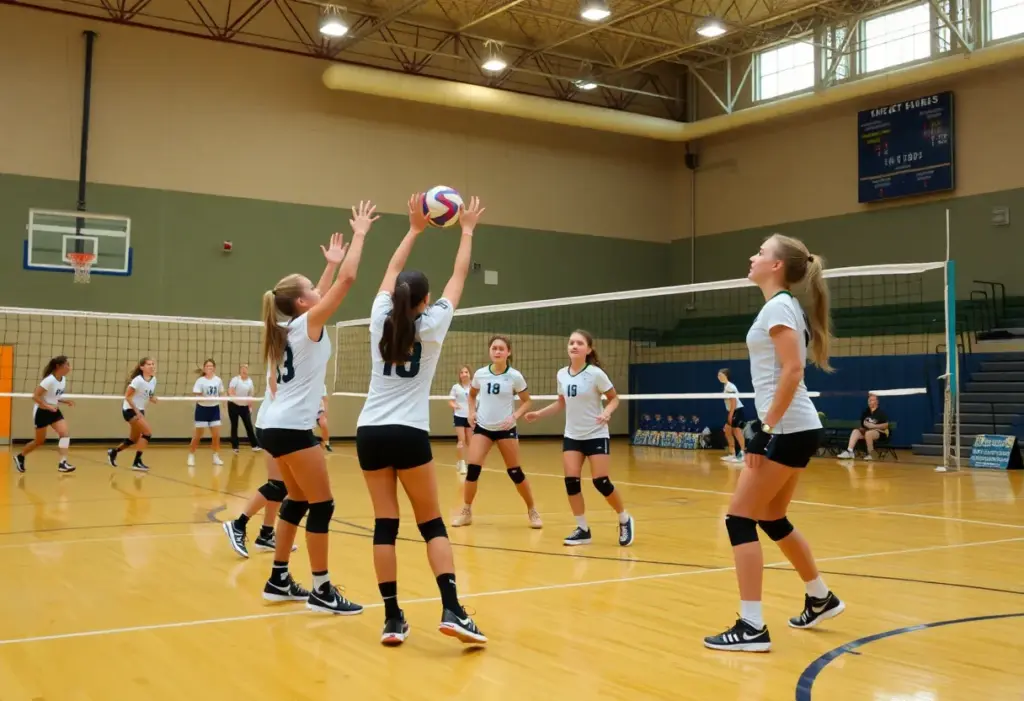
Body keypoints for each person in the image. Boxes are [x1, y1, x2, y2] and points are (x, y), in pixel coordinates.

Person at [355, 193, 487, 646]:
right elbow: (458, 276)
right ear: (426, 301)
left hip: (369, 431)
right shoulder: (432, 325)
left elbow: (390, 273)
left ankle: (392, 619)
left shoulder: (378, 318)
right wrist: (465, 229)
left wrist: (413, 228)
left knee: (384, 523)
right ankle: (451, 609)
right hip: (409, 432)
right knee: (430, 522)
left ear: (395, 298)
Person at [703, 234, 845, 653]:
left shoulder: (779, 306)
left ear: (777, 266)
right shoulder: (781, 307)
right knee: (771, 517)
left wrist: (764, 428)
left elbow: (793, 370)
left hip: (786, 428)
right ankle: (820, 597)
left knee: (738, 518)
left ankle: (751, 626)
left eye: (761, 252)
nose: (752, 256)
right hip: (795, 426)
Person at [258, 207, 375, 615]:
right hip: (291, 428)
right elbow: (347, 282)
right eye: (312, 287)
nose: (318, 289)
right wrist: (359, 236)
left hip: (272, 425)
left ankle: (278, 577)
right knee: (322, 505)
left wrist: (327, 266)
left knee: (297, 499)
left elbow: (318, 294)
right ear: (304, 301)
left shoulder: (290, 324)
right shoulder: (308, 323)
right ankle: (322, 589)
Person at [524, 330, 634, 547]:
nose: (574, 346)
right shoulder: (562, 374)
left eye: (579, 343)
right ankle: (583, 529)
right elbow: (561, 402)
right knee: (571, 482)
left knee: (601, 481)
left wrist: (607, 412)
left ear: (588, 349)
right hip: (572, 435)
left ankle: (624, 518)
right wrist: (539, 414)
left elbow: (613, 398)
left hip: (595, 433)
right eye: (571, 342)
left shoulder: (595, 374)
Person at [451, 336, 542, 529]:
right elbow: (472, 395)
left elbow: (527, 401)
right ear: (489, 351)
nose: (497, 351)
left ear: (508, 352)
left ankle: (532, 510)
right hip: (483, 428)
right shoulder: (481, 374)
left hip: (505, 429)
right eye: (494, 348)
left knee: (515, 472)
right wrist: (472, 412)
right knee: (472, 470)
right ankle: (466, 511)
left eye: (501, 348)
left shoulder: (515, 376)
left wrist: (515, 416)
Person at [13, 355, 75, 474]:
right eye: (67, 365)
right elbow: (35, 396)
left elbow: (54, 396)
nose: (69, 367)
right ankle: (20, 456)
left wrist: (64, 401)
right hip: (42, 411)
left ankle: (63, 463)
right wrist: (48, 407)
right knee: (39, 441)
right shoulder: (49, 380)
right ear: (59, 366)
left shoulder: (62, 379)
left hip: (54, 410)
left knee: (65, 434)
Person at [109, 357, 158, 471]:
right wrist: (136, 411)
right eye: (148, 364)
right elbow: (128, 396)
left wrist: (152, 398)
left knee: (134, 439)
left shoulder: (153, 379)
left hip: (140, 410)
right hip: (130, 410)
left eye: (152, 364)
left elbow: (146, 394)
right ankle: (137, 462)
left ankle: (113, 452)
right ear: (142, 367)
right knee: (147, 433)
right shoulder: (137, 380)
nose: (151, 366)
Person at [189, 359, 225, 467]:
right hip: (202, 409)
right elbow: (197, 394)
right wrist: (204, 398)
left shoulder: (218, 380)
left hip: (214, 409)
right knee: (198, 435)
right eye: (207, 366)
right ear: (204, 368)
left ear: (214, 368)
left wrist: (224, 406)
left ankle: (216, 456)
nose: (209, 368)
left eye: (211, 366)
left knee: (216, 435)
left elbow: (222, 393)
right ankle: (191, 455)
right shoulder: (200, 381)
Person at [837, 393, 889, 460]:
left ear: (877, 402)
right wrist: (862, 429)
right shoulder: (866, 412)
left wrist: (873, 426)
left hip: (879, 433)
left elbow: (886, 425)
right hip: (867, 431)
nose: (870, 402)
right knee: (855, 431)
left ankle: (870, 454)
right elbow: (863, 425)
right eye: (869, 400)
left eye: (872, 400)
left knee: (868, 433)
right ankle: (849, 452)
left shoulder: (881, 413)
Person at [227, 363, 260, 453]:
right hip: (233, 405)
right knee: (234, 425)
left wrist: (250, 406)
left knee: (249, 425)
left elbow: (250, 395)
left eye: (246, 368)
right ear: (240, 370)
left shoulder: (250, 381)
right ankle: (235, 446)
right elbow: (230, 391)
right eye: (242, 368)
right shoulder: (235, 379)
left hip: (244, 407)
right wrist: (236, 398)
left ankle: (254, 445)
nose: (244, 370)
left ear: (248, 370)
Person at [718, 368, 747, 463]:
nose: (719, 377)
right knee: (727, 431)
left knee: (737, 431)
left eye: (720, 375)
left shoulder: (730, 386)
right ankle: (733, 453)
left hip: (736, 410)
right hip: (731, 411)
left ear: (726, 375)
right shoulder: (726, 386)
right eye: (718, 375)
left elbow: (733, 401)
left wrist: (731, 414)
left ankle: (743, 453)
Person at [449, 366, 472, 476]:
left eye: (466, 372)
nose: (464, 374)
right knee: (461, 440)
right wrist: (455, 406)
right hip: (459, 416)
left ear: (470, 374)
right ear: (459, 375)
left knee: (470, 441)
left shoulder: (475, 387)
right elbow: (451, 401)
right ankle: (462, 464)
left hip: (471, 417)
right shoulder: (456, 387)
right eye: (462, 372)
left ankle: (467, 462)